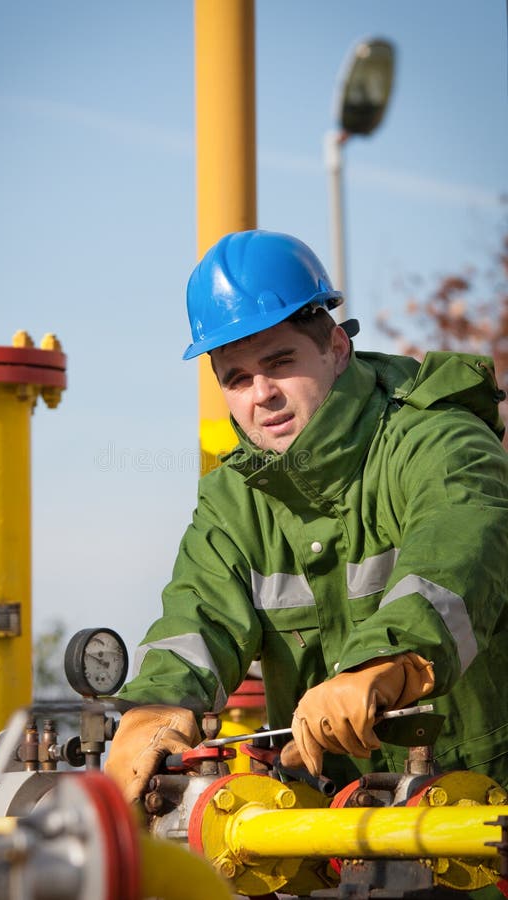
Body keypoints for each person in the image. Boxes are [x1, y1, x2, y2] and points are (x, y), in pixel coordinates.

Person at [106, 229, 508, 804]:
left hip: (484, 810)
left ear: (336, 349)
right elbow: (198, 616)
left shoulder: (438, 442)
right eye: (237, 378)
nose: (261, 394)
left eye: (279, 362)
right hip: (328, 834)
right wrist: (155, 708)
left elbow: (461, 549)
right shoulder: (233, 498)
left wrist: (387, 662)